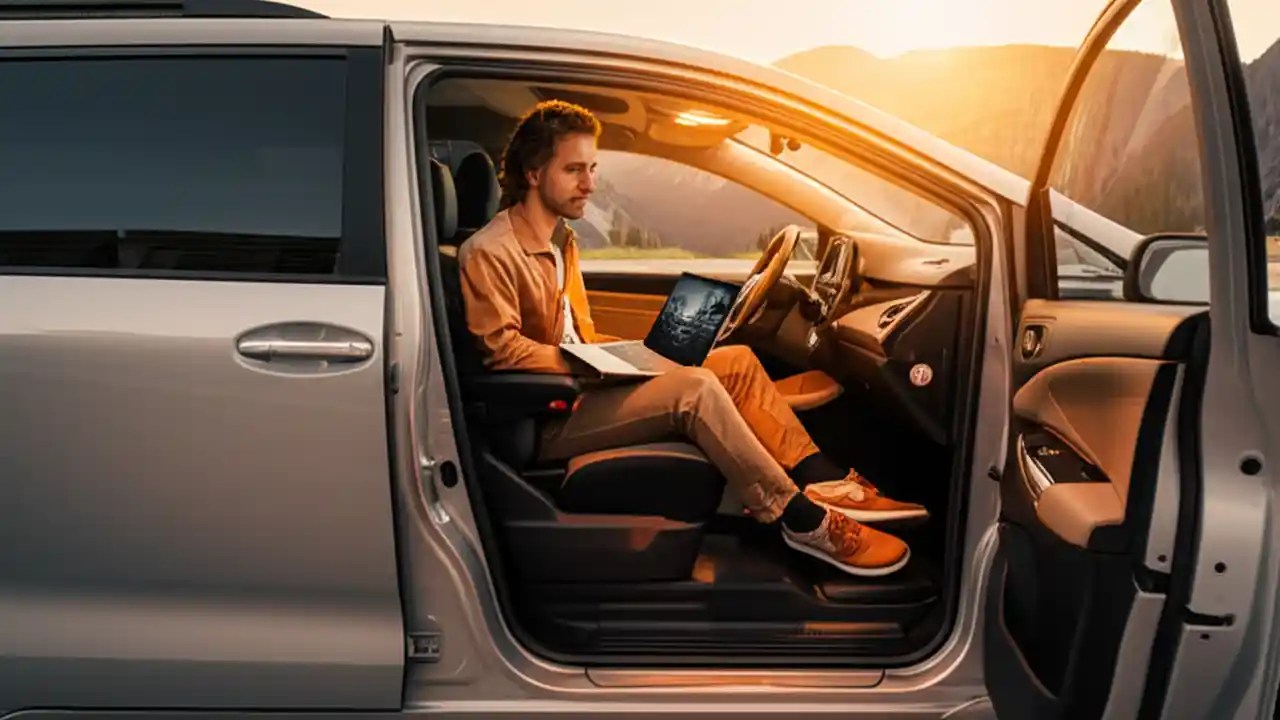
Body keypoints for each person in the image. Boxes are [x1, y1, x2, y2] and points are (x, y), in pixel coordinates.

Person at [456, 100, 926, 577]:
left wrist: (635, 355)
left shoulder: (562, 242)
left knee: (735, 360)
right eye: (574, 170)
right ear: (534, 174)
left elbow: (578, 333)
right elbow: (501, 351)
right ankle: (797, 517)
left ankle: (822, 479)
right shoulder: (489, 251)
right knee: (695, 389)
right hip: (551, 416)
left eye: (592, 168)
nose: (590, 184)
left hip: (585, 386)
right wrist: (595, 364)